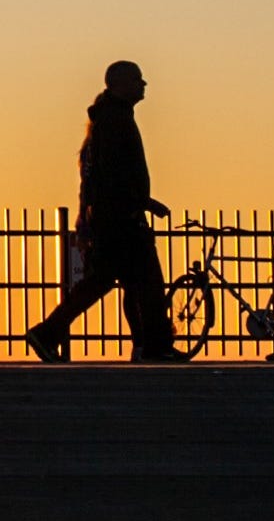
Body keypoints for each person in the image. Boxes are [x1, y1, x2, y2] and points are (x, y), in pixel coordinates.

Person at [24, 60, 189, 363]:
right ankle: (155, 346)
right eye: (137, 79)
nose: (143, 84)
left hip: (111, 218)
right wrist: (141, 203)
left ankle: (48, 333)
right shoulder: (116, 121)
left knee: (106, 282)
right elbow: (115, 174)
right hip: (121, 219)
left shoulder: (108, 120)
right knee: (147, 282)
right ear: (120, 84)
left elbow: (98, 178)